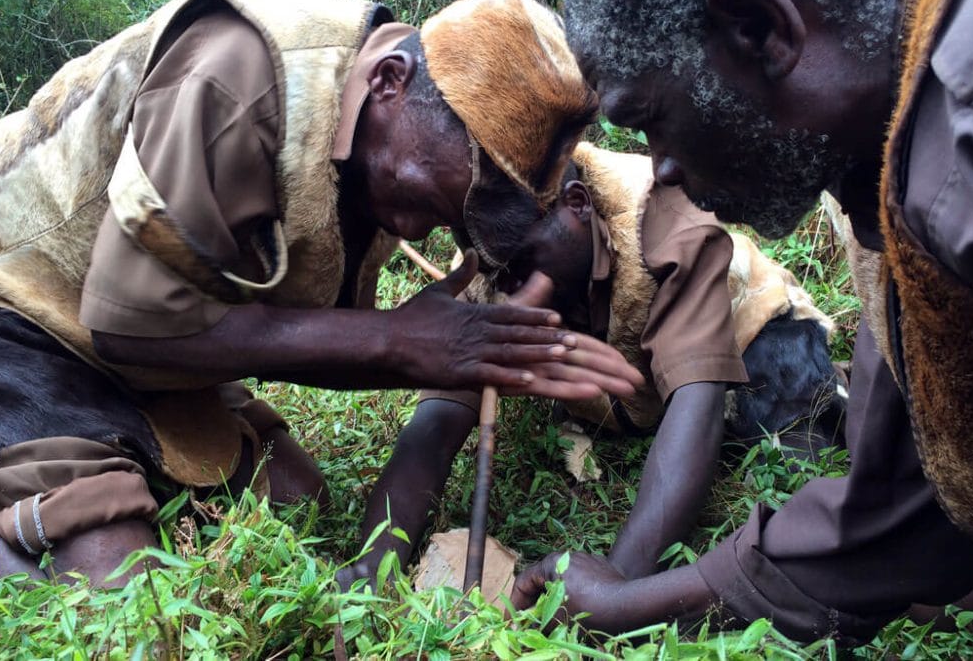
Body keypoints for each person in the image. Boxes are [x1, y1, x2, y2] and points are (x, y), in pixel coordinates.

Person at [0, 0, 644, 586]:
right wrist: (394, 337)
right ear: (390, 81)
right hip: (31, 320)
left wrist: (434, 352)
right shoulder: (237, 75)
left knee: (300, 500)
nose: (416, 231)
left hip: (161, 361)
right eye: (427, 199)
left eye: (447, 221)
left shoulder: (384, 146)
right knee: (115, 585)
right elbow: (125, 330)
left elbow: (309, 344)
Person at [512, 0, 973, 645]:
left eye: (653, 120)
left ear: (758, 29)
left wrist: (627, 596)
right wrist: (624, 604)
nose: (660, 168)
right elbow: (893, 512)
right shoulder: (884, 172)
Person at [346, 142, 844, 586]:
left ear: (578, 205)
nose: (514, 291)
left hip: (755, 337)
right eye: (500, 275)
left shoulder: (667, 223)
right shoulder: (488, 264)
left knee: (796, 448)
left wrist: (614, 588)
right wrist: (373, 563)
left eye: (523, 264)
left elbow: (697, 405)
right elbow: (435, 424)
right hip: (635, 393)